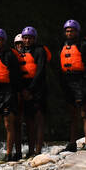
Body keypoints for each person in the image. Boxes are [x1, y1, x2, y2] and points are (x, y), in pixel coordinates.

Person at [58, 19, 86, 151]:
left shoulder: (83, 45)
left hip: (80, 81)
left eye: (72, 31)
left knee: (84, 113)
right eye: (67, 31)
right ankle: (72, 143)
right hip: (68, 81)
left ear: (77, 32)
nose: (69, 33)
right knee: (72, 115)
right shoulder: (63, 45)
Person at [0, 28, 22, 161]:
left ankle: (8, 153)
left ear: (4, 41)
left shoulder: (9, 55)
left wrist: (17, 93)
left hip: (9, 93)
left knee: (8, 124)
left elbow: (16, 76)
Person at [17, 26, 51, 156]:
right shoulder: (21, 53)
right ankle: (31, 150)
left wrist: (30, 89)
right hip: (25, 89)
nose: (27, 40)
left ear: (34, 39)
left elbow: (40, 71)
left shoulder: (39, 51)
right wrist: (23, 90)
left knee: (39, 119)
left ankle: (38, 150)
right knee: (29, 120)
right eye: (25, 38)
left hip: (38, 89)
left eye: (30, 38)